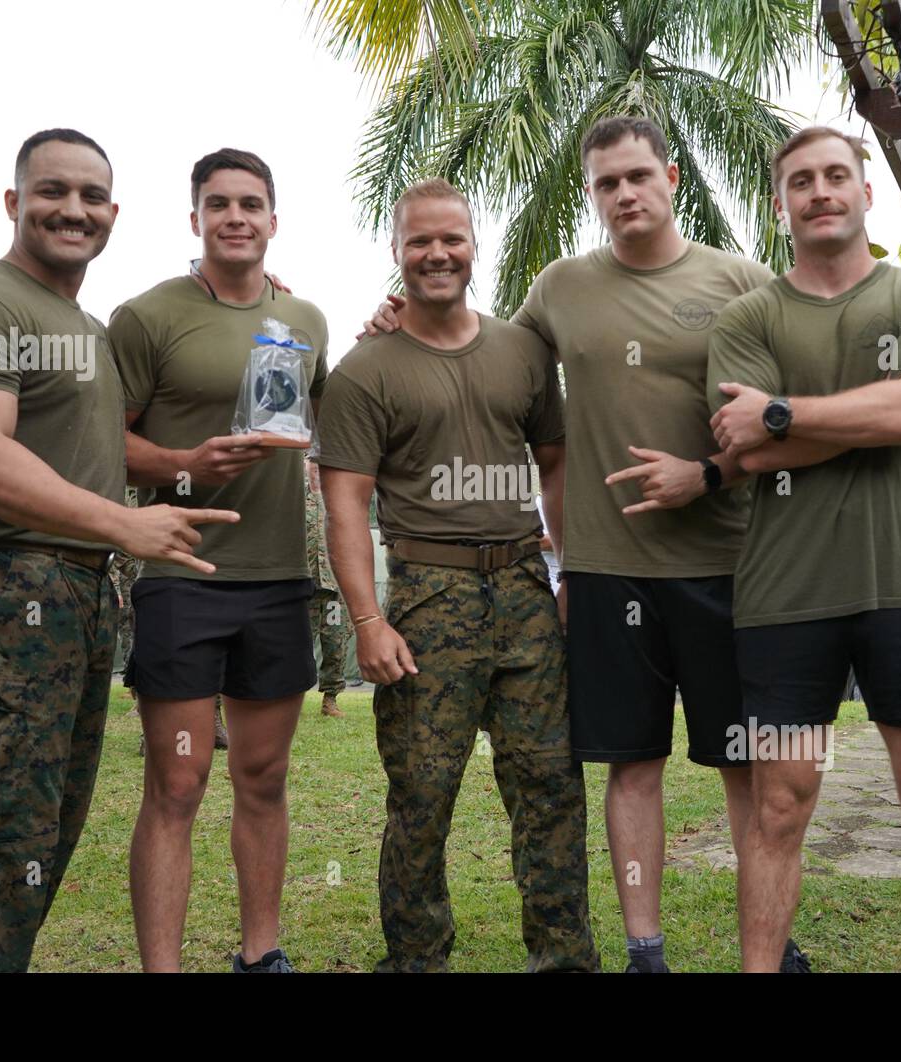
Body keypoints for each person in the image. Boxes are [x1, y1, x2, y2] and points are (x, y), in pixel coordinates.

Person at [365, 116, 793, 973]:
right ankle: (644, 951)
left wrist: (705, 473)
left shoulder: (743, 282)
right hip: (604, 572)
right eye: (607, 183)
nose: (625, 194)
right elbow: (483, 350)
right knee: (630, 765)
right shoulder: (560, 287)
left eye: (638, 176)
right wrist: (396, 315)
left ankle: (769, 949)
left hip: (727, 563)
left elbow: (786, 425)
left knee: (744, 772)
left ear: (671, 177)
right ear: (594, 194)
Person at [0, 128, 236, 972]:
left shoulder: (86, 327)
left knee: (39, 834)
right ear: (14, 203)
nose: (73, 210)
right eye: (52, 191)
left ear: (114, 213)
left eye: (92, 197)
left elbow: (105, 446)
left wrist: (182, 467)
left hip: (74, 602)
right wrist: (125, 525)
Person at [707, 125, 901, 972]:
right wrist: (871, 414)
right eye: (802, 180)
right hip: (786, 601)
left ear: (867, 193)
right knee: (780, 809)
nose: (821, 190)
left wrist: (786, 411)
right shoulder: (748, 316)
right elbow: (744, 451)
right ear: (780, 204)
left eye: (838, 175)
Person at [319, 177, 598, 973]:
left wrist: (568, 570)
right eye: (419, 241)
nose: (436, 254)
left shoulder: (523, 349)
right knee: (421, 794)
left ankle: (565, 959)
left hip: (523, 592)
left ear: (475, 245)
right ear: (397, 252)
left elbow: (557, 465)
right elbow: (345, 503)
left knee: (550, 786)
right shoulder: (365, 370)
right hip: (426, 599)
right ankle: (415, 958)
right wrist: (369, 620)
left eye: (452, 239)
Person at [110, 147, 328, 974]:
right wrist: (181, 463)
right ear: (194, 217)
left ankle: (261, 953)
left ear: (275, 219)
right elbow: (107, 445)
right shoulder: (147, 316)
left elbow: (327, 418)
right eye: (219, 204)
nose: (236, 217)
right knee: (179, 782)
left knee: (264, 777)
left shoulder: (306, 319)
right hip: (183, 573)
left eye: (251, 204)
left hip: (277, 580)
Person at [305, 457, 350, 718]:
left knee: (335, 642)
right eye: (312, 463)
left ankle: (330, 699)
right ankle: (289, 696)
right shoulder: (295, 495)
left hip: (335, 587)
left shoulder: (340, 493)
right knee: (299, 644)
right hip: (305, 584)